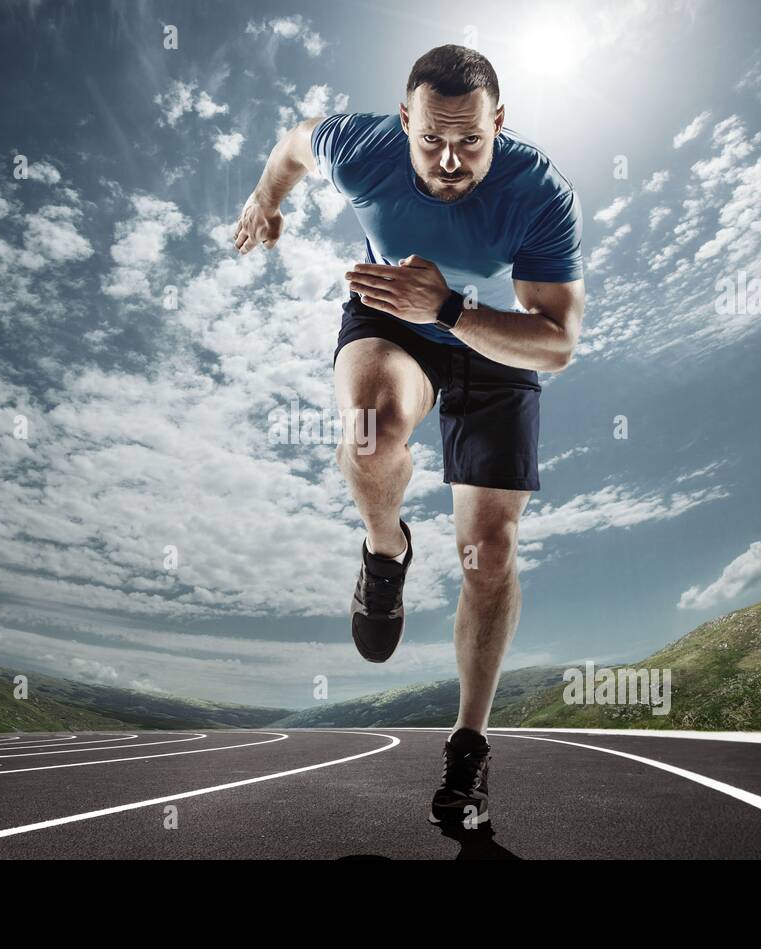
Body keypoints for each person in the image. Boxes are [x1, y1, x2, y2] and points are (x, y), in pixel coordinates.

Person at [233, 44, 585, 827]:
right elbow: (295, 141)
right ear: (403, 122)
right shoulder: (362, 149)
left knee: (489, 555)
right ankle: (384, 549)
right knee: (366, 433)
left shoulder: (538, 193)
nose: (450, 160)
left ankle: (468, 746)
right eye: (431, 140)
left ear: (501, 124)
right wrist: (265, 201)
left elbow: (558, 341)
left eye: (470, 141)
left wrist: (454, 309)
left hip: (495, 342)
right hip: (395, 314)